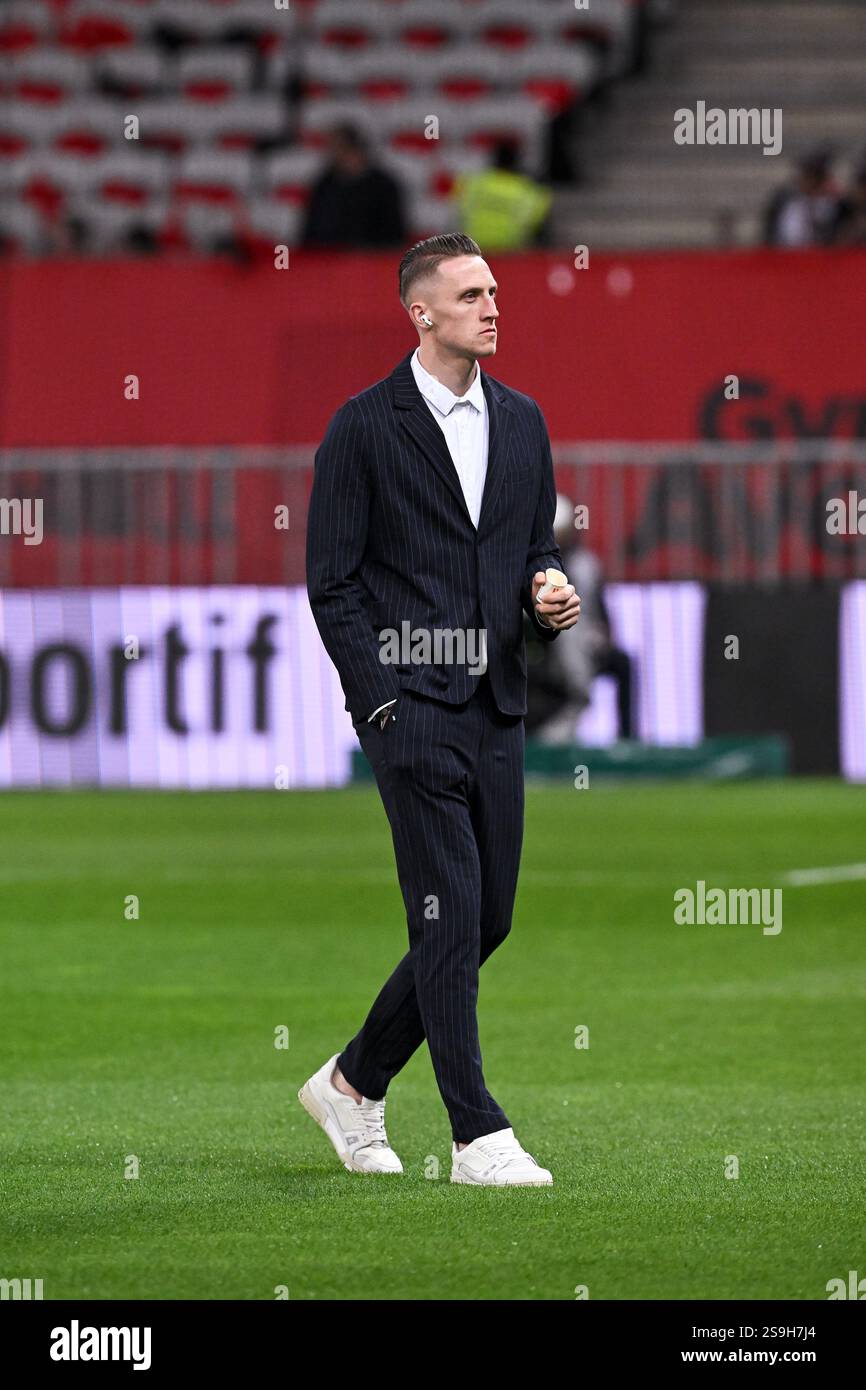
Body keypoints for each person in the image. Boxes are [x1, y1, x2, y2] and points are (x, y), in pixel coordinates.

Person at [302, 232, 580, 1186]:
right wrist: (377, 702)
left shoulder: (527, 420)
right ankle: (477, 1136)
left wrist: (547, 593)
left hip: (499, 699)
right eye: (470, 295)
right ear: (420, 313)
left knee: (484, 917)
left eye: (494, 290)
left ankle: (352, 1082)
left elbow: (531, 549)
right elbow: (331, 584)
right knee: (450, 909)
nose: (493, 306)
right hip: (409, 706)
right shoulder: (362, 426)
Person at [533, 495, 634, 744]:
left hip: (585, 638)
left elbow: (601, 610)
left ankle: (626, 739)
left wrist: (603, 635)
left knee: (621, 661)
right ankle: (569, 704)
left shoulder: (586, 565)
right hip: (544, 641)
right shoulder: (532, 567)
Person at [300, 123, 407, 249]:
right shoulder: (325, 184)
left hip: (371, 259)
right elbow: (310, 233)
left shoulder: (384, 186)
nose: (332, 153)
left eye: (337, 147)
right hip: (329, 259)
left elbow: (394, 235)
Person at [453, 140, 552, 252]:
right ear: (516, 162)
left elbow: (457, 201)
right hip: (509, 251)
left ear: (493, 160)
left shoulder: (473, 183)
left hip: (473, 248)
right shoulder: (526, 190)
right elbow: (537, 218)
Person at [763, 148, 845, 248]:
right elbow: (773, 233)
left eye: (810, 177)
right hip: (787, 255)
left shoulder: (833, 205)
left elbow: (834, 236)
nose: (803, 181)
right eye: (803, 176)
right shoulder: (785, 202)